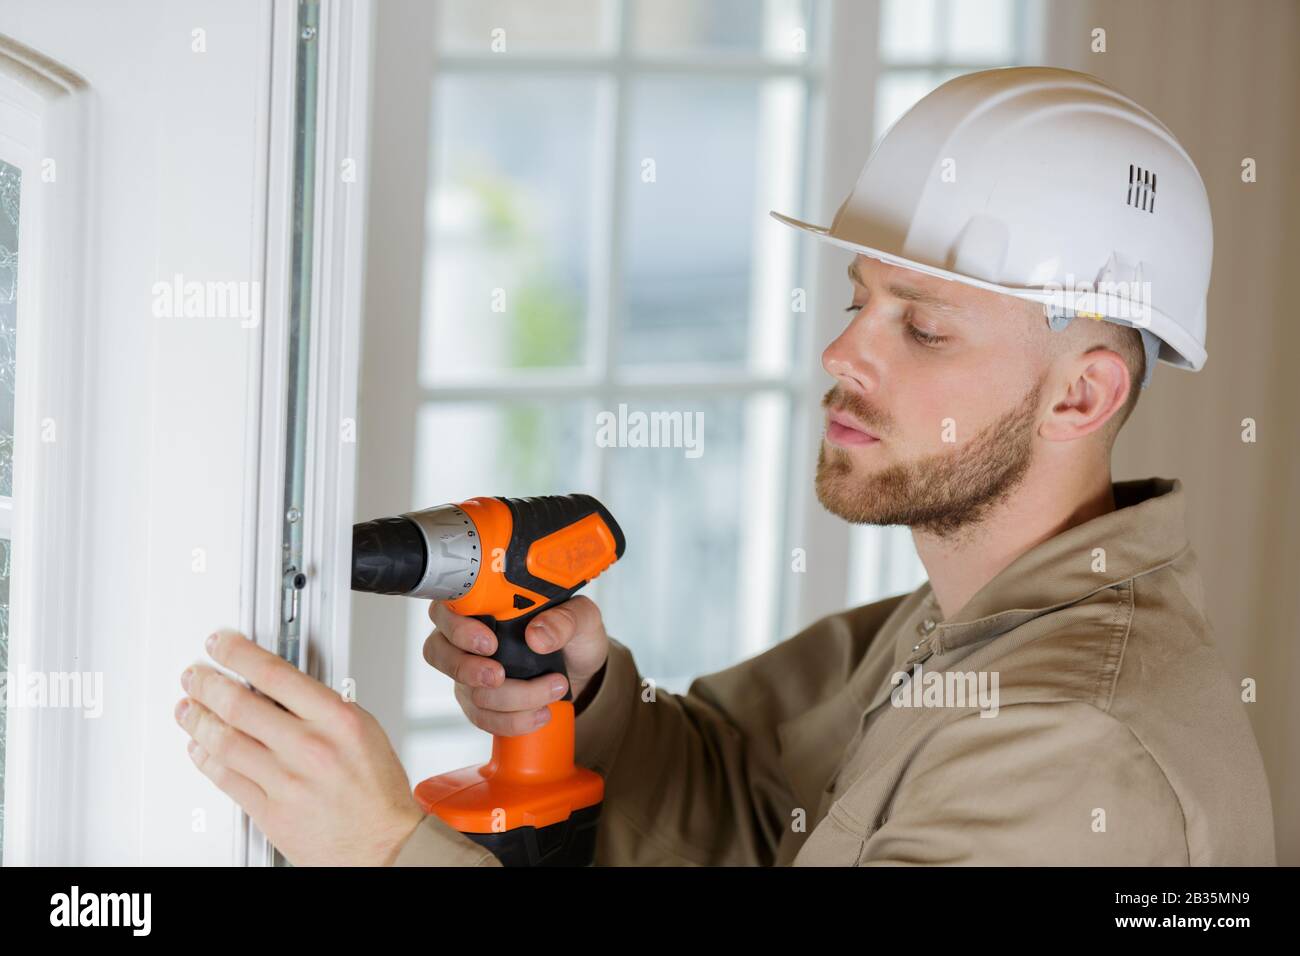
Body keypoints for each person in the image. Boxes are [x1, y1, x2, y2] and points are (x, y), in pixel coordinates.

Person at [175, 67, 1275, 865]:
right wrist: (589, 700)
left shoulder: (1073, 748)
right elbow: (758, 806)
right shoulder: (955, 623)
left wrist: (383, 848)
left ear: (1081, 395)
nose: (842, 353)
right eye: (857, 301)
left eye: (924, 327)